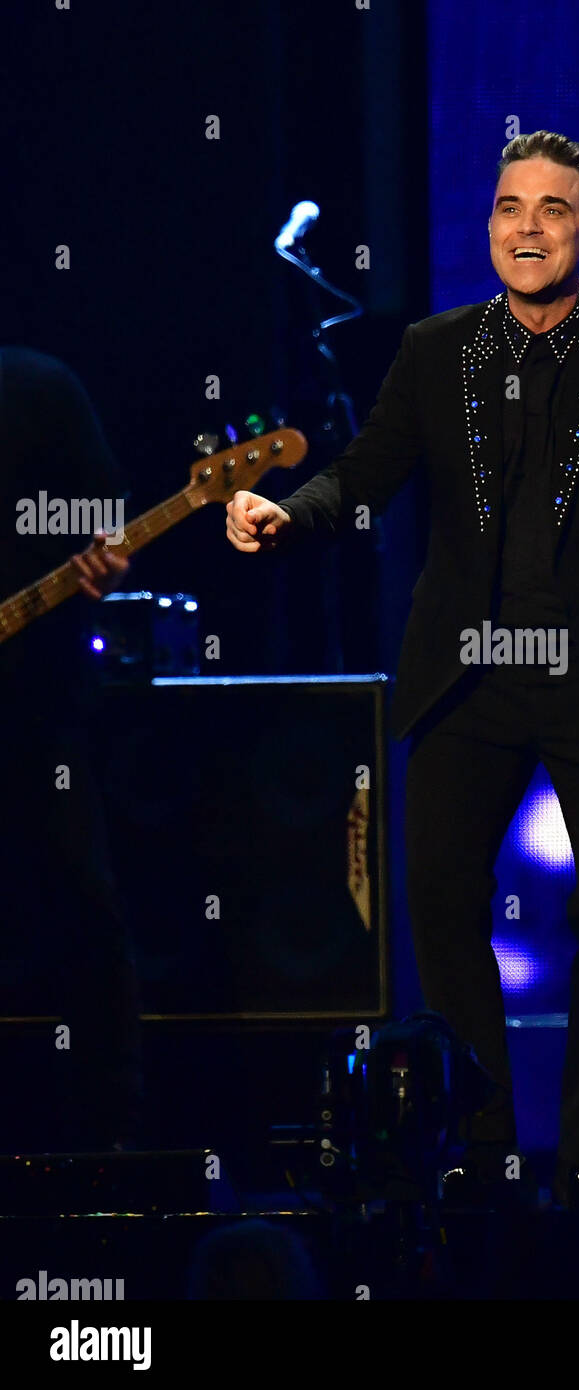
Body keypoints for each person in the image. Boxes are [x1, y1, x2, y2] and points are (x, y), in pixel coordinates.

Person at [225, 131, 579, 1210]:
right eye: (508, 207)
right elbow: (364, 475)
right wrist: (286, 513)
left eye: (550, 210)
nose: (526, 227)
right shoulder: (433, 350)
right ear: (489, 226)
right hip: (469, 674)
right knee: (441, 900)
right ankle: (488, 1155)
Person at [0, 345, 140, 1150]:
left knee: (83, 907)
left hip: (34, 705)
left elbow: (105, 527)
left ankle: (110, 1142)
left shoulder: (40, 387)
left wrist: (103, 556)